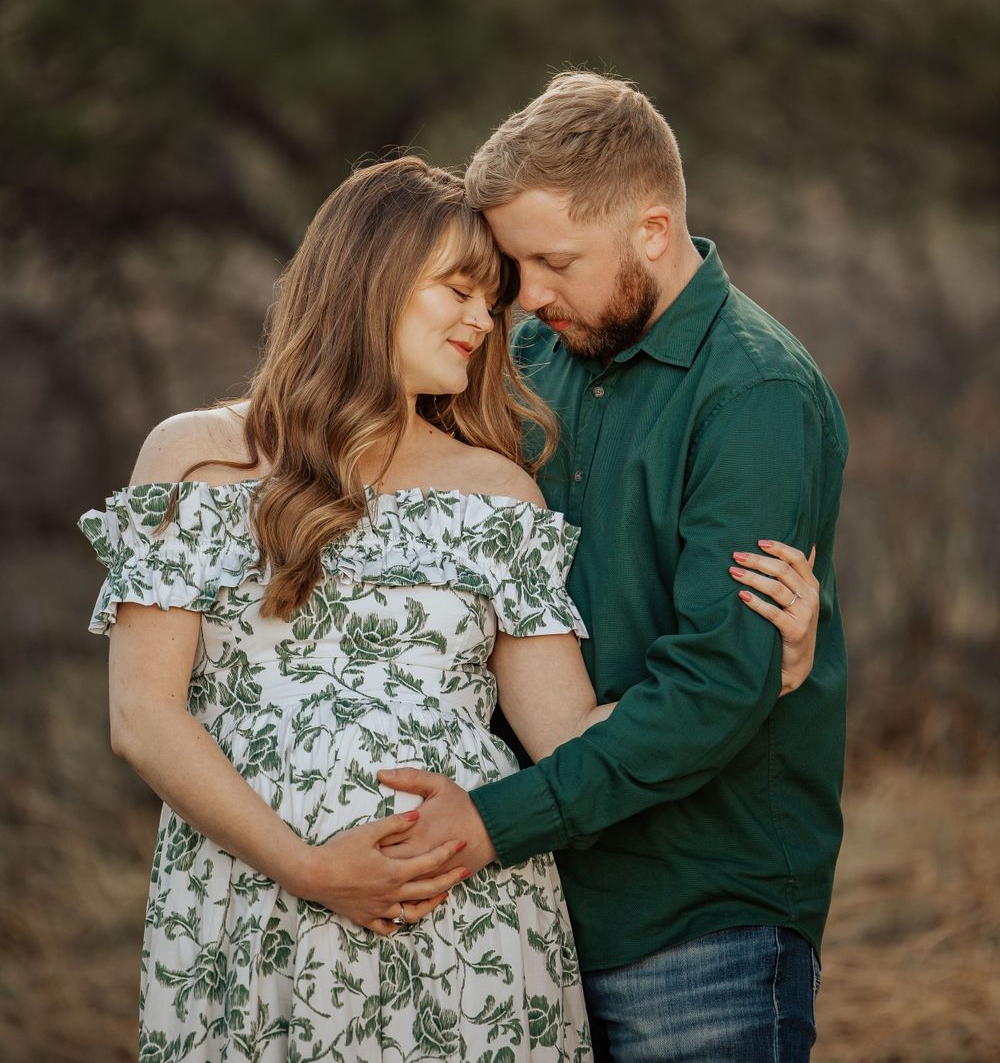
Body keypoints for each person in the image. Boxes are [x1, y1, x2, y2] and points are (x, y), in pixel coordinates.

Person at [80, 156, 818, 1063]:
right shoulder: (196, 457)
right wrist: (307, 868)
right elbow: (142, 718)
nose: (483, 320)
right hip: (248, 903)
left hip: (464, 927)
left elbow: (569, 735)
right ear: (368, 280)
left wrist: (752, 663)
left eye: (490, 301)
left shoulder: (497, 489)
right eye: (458, 291)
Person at [376, 77, 849, 1063]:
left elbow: (714, 685)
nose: (528, 296)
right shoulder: (524, 363)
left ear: (652, 230)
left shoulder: (754, 391)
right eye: (514, 266)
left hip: (700, 916)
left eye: (553, 262)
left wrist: (490, 824)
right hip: (521, 916)